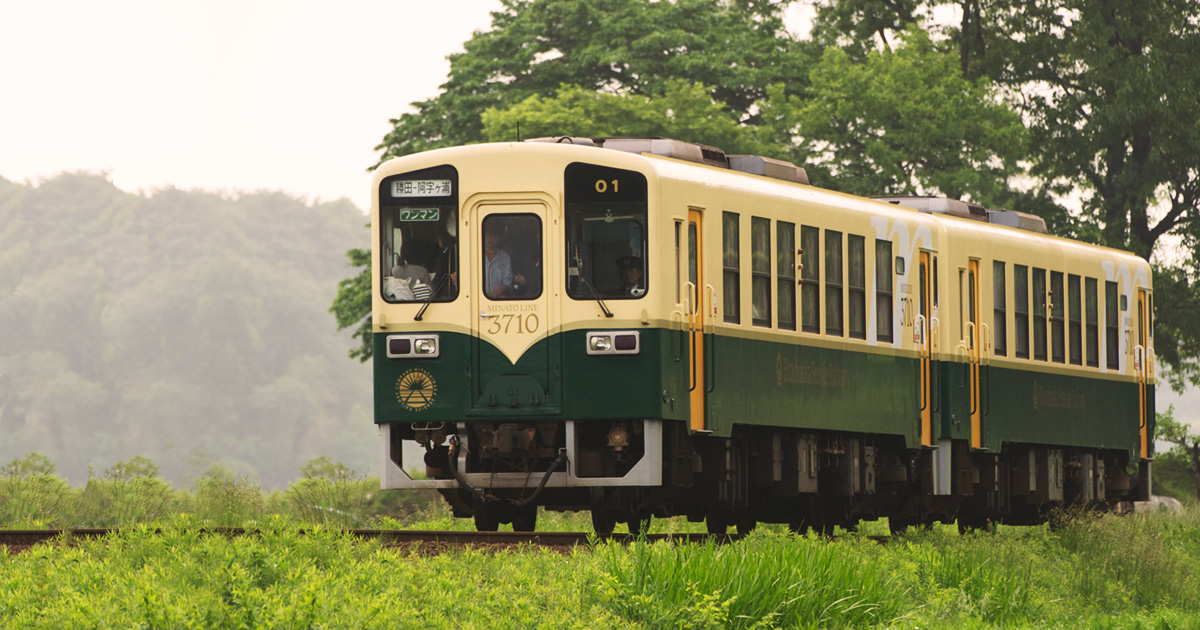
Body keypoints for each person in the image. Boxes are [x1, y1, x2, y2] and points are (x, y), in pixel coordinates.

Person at [483, 222, 525, 298]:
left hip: (498, 300)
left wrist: (496, 293)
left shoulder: (504, 257)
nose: (492, 238)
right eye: (489, 234)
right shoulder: (473, 254)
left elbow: (507, 281)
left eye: (496, 236)